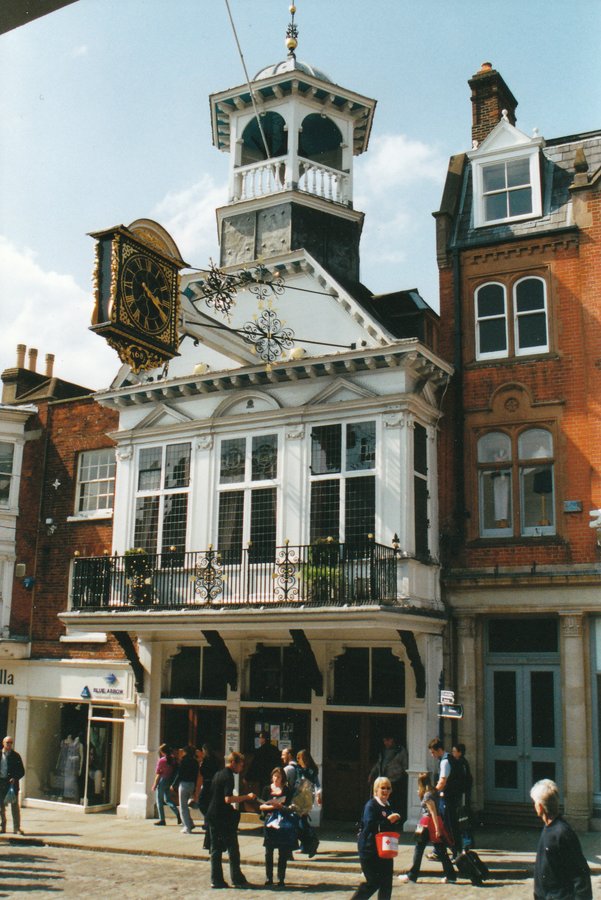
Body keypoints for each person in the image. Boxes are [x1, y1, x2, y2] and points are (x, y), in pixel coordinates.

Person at [530, 779, 592, 899]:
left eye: (535, 803)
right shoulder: (549, 827)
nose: (534, 805)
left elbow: (580, 874)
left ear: (540, 807)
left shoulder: (562, 833)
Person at [205, 750, 257, 890]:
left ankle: (216, 880)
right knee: (233, 848)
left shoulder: (218, 774)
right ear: (233, 763)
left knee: (215, 849)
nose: (241, 768)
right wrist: (246, 797)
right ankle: (236, 878)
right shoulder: (228, 777)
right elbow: (227, 799)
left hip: (212, 814)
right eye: (241, 765)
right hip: (223, 817)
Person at [398, 772, 456, 884]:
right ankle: (451, 875)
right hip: (434, 822)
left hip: (427, 823)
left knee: (419, 849)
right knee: (440, 849)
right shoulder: (434, 792)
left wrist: (437, 828)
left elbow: (432, 812)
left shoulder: (427, 795)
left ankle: (412, 875)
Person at [351, 776, 401, 899]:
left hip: (385, 848)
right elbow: (370, 826)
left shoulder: (388, 806)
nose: (385, 791)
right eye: (382, 788)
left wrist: (395, 821)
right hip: (370, 849)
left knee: (386, 883)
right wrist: (388, 821)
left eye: (388, 788)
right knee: (373, 882)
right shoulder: (371, 805)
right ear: (376, 790)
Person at [259, 766, 298, 887]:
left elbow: (291, 806)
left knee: (283, 851)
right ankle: (269, 877)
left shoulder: (286, 790)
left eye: (279, 777)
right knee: (269, 851)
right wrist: (272, 806)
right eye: (274, 776)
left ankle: (281, 878)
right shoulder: (267, 789)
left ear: (283, 779)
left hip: (282, 821)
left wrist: (282, 807)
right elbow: (261, 806)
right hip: (270, 821)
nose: (276, 779)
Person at [428, 737, 462, 857]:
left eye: (433, 752)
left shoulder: (445, 762)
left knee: (448, 826)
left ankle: (456, 852)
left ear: (439, 750)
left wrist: (433, 792)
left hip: (447, 798)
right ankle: (442, 851)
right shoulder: (450, 758)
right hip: (452, 796)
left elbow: (442, 781)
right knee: (449, 825)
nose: (432, 755)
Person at [368, 734, 408, 823]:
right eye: (384, 741)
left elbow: (405, 766)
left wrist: (400, 775)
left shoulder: (400, 751)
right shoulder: (383, 751)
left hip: (395, 781)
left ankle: (395, 821)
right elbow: (378, 764)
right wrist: (372, 774)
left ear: (392, 740)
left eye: (388, 740)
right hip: (382, 781)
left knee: (394, 803)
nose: (386, 743)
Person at [295, 748, 321, 856]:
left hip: (306, 796)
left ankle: (311, 840)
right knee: (300, 821)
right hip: (298, 796)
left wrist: (318, 795)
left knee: (302, 821)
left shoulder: (310, 770)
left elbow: (317, 783)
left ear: (304, 759)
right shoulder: (299, 769)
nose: (297, 760)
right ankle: (306, 845)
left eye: (299, 758)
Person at [151, 743, 181, 826]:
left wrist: (155, 784)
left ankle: (162, 819)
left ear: (162, 752)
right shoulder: (173, 760)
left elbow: (158, 774)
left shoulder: (162, 761)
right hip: (169, 780)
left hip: (162, 780)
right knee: (167, 799)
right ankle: (177, 812)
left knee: (159, 801)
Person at [0, 736, 25, 835]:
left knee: (14, 807)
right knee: (1, 807)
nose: (9, 744)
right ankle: (3, 827)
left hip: (12, 784)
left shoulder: (16, 756)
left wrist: (14, 777)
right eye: (7, 742)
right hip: (1, 783)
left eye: (11, 742)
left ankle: (16, 828)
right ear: (3, 743)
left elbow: (21, 771)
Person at [452, 742, 474, 850]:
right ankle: (467, 840)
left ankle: (467, 841)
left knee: (463, 818)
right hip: (462, 793)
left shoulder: (461, 763)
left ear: (460, 752)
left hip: (462, 794)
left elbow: (463, 780)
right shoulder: (462, 762)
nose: (453, 753)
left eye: (454, 751)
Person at [247, 731, 281, 795]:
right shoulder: (275, 749)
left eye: (260, 738)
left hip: (263, 777)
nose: (259, 740)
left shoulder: (260, 750)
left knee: (264, 793)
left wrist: (247, 777)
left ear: (264, 739)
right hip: (274, 776)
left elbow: (254, 765)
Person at [177, 745, 200, 834]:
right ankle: (190, 823)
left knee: (183, 806)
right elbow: (196, 775)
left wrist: (175, 784)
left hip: (184, 784)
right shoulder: (195, 762)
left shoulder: (183, 761)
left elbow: (179, 774)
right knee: (187, 804)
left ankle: (187, 827)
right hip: (192, 784)